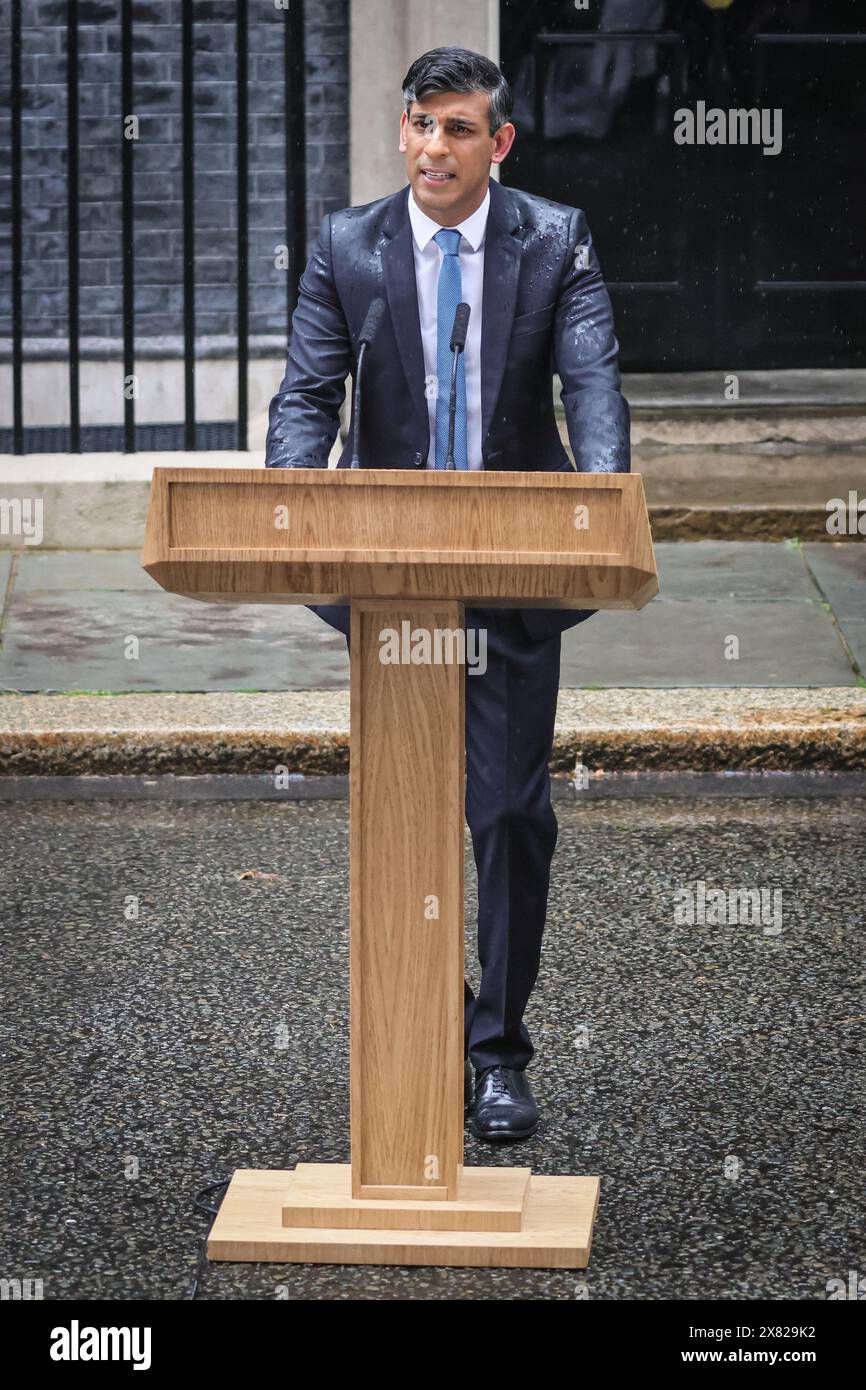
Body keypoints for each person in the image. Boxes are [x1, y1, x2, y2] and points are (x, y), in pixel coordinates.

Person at [265, 46, 630, 1141]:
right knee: (405, 820)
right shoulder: (347, 248)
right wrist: (286, 505)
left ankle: (497, 1048)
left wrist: (604, 499)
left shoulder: (553, 239)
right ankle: (427, 1030)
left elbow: (590, 382)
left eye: (458, 128)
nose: (434, 147)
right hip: (387, 584)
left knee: (508, 813)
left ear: (497, 141)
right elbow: (306, 393)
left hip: (509, 577)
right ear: (402, 133)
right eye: (420, 126)